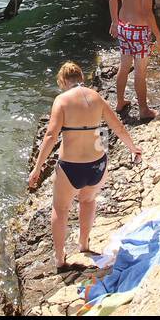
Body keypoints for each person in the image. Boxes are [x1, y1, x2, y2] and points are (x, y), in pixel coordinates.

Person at [26, 62, 142, 270]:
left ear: (62, 81)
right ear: (82, 77)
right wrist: (133, 148)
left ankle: (60, 259)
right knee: (88, 201)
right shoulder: (96, 97)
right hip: (97, 165)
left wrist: (37, 168)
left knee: (60, 209)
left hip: (71, 166)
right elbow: (117, 127)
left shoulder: (61, 100)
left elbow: (51, 136)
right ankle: (84, 244)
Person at [108, 0, 160, 120]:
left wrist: (115, 22)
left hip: (124, 28)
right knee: (140, 72)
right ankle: (144, 110)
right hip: (139, 32)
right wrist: (159, 37)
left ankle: (119, 102)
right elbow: (147, 13)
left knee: (124, 66)